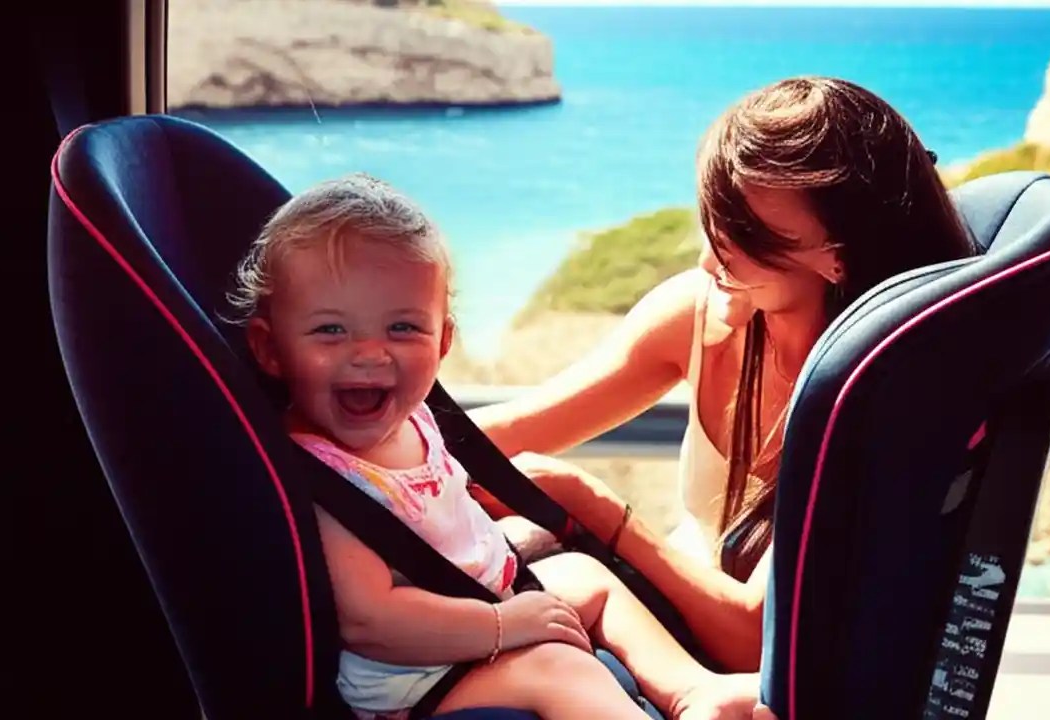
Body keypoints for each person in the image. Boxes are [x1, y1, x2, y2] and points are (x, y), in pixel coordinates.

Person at [467, 76, 981, 673]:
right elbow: (503, 435)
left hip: (725, 677)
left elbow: (755, 641)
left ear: (838, 256)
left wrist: (596, 509)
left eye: (739, 239)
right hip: (656, 628)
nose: (708, 260)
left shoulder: (875, 409)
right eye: (712, 224)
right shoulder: (703, 314)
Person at [228, 173, 769, 720]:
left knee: (582, 575)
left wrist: (503, 562)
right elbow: (372, 622)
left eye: (402, 328)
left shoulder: (415, 418)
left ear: (443, 342)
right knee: (558, 667)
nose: (370, 354)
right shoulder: (328, 480)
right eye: (330, 331)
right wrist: (503, 626)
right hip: (416, 681)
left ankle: (691, 690)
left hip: (481, 607)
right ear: (270, 350)